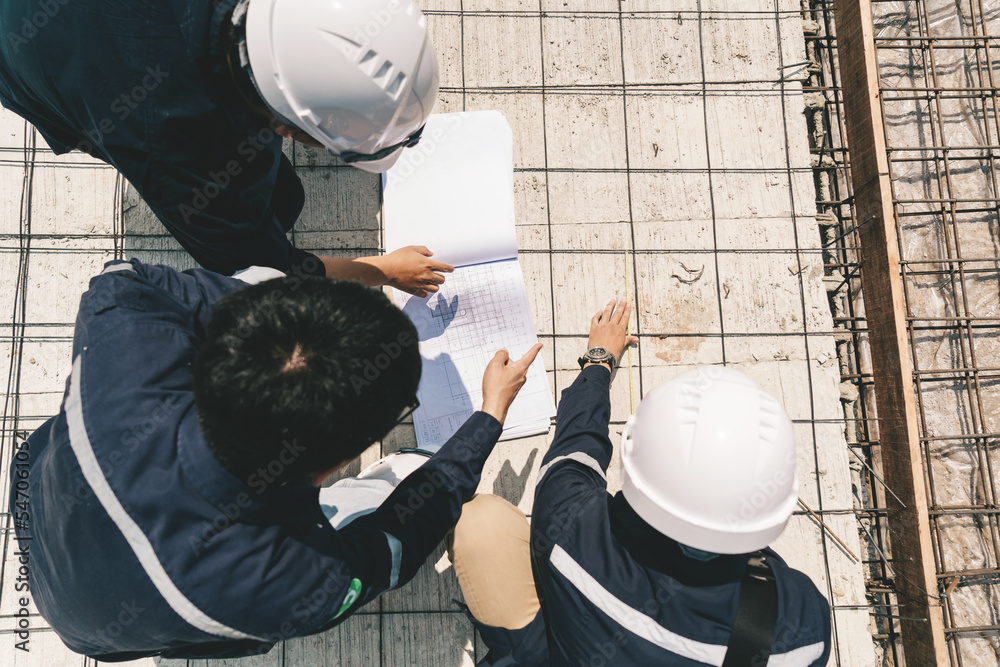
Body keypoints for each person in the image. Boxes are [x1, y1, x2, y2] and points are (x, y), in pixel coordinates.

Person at [9, 258, 541, 660]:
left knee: (262, 273)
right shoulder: (298, 582)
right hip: (108, 621)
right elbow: (394, 544)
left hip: (47, 519)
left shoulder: (124, 323)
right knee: (401, 480)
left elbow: (122, 277)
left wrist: (294, 300)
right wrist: (488, 417)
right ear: (332, 464)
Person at [450, 300, 832, 666]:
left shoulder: (576, 536)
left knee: (481, 525)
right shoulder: (803, 627)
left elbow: (572, 456)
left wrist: (598, 362)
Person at [0, 0, 448, 294]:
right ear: (285, 127)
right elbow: (266, 272)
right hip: (32, 45)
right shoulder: (181, 146)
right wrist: (383, 271)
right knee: (282, 203)